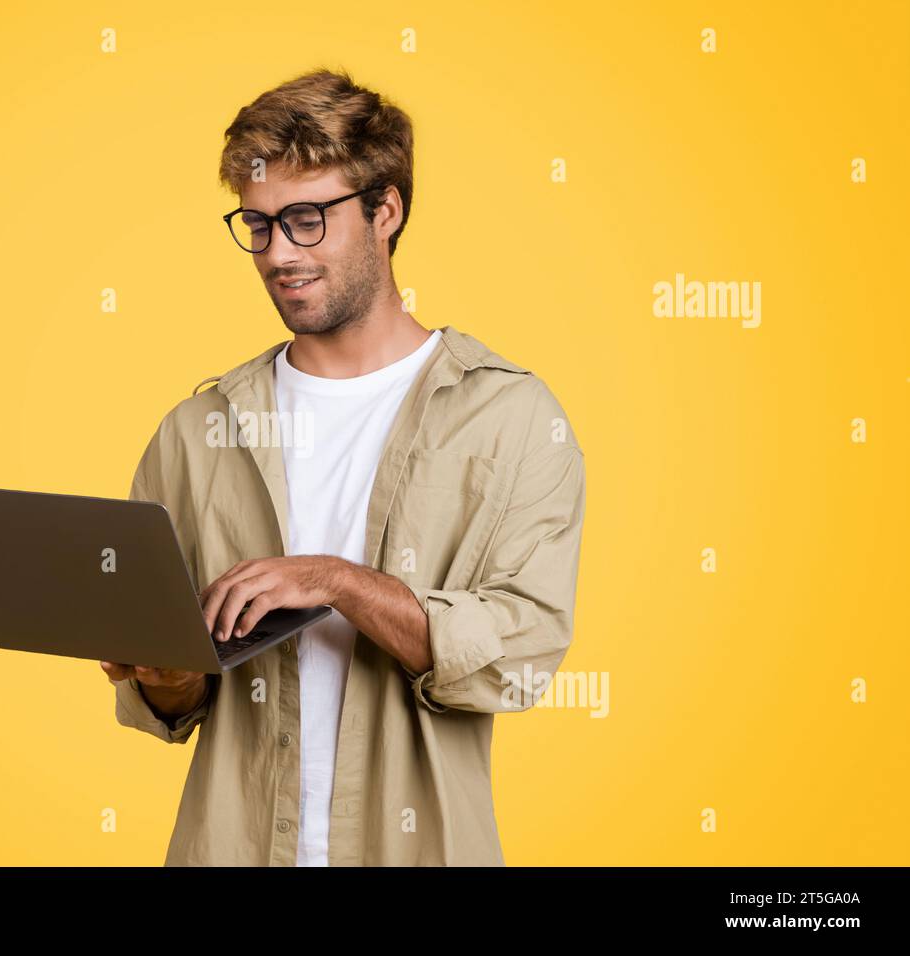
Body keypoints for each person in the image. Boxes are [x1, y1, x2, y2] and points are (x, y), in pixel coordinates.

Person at [99, 67, 586, 866]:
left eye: (306, 220)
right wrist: (167, 677)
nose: (277, 254)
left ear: (384, 210)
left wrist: (337, 582)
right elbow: (172, 702)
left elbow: (521, 657)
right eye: (257, 225)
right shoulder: (196, 430)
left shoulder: (511, 419)